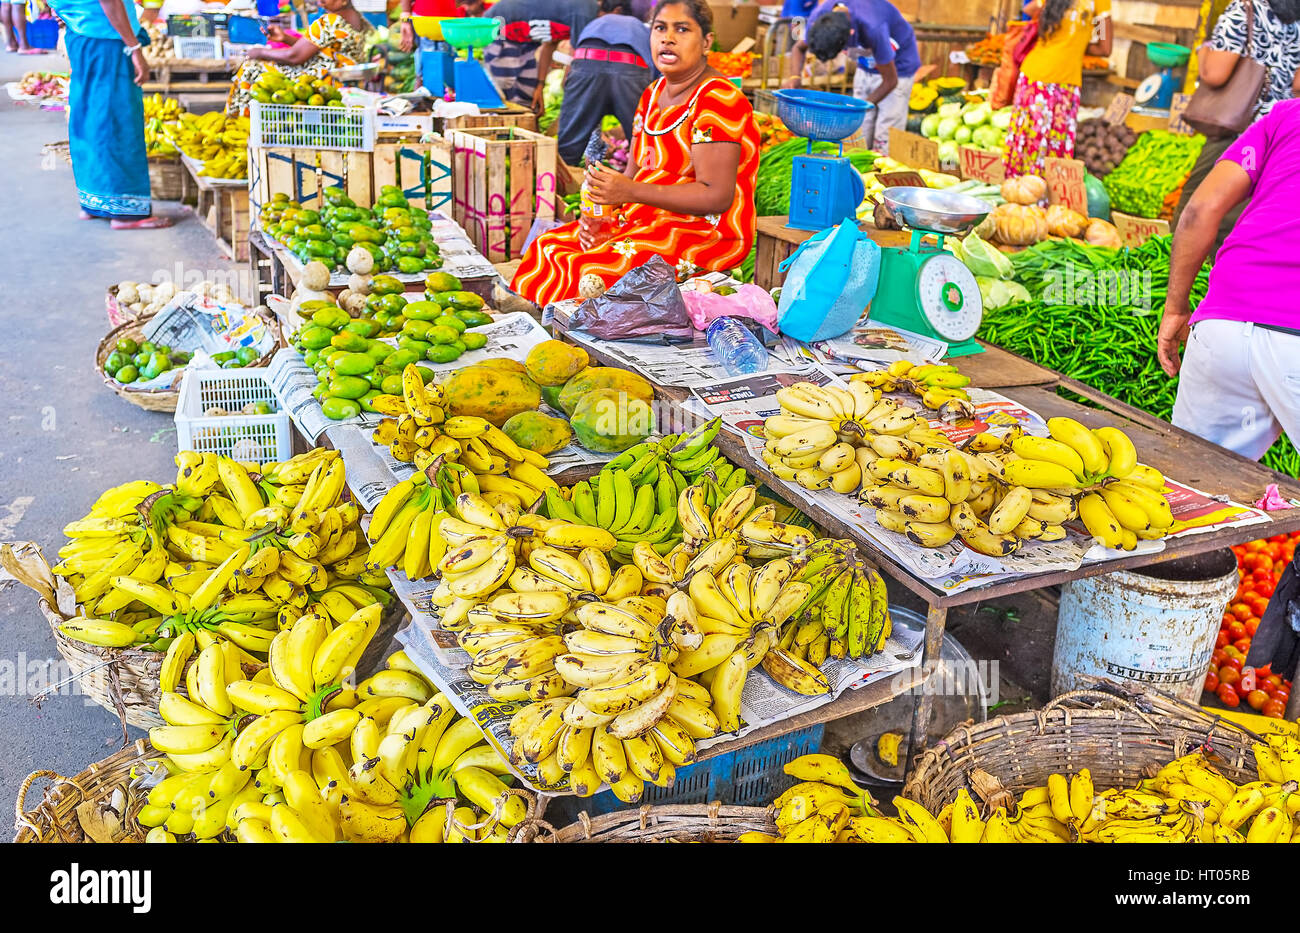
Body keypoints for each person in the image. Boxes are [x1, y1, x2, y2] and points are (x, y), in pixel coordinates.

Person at [511, 0, 759, 308]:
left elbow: (716, 196)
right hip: (646, 217)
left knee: (593, 271)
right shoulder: (652, 93)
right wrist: (601, 216)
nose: (668, 38)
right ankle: (542, 313)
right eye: (660, 28)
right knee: (549, 246)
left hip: (702, 233)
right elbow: (632, 173)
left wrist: (629, 191)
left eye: (682, 29)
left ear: (706, 42)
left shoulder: (718, 99)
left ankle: (557, 318)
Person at [1157, 98, 1300, 461]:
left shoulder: (1286, 116)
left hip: (1223, 328)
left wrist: (1176, 308)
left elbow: (1200, 210)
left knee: (1193, 475)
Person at [1171, 0, 1300, 257]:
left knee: (1196, 207)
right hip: (1277, 133)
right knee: (1240, 214)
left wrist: (1204, 50)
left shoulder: (1244, 10)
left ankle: (1183, 273)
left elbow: (1215, 74)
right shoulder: (1296, 20)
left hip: (1237, 130)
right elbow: (1297, 85)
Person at [49, 0, 173, 228]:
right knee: (117, 122)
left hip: (82, 37)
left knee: (89, 119)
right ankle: (125, 213)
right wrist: (134, 48)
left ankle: (94, 202)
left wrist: (65, 10)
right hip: (107, 41)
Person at [783, 0, 920, 154]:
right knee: (859, 132)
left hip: (898, 69)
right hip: (866, 65)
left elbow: (891, 81)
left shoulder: (873, 28)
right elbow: (799, 48)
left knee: (885, 135)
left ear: (849, 36)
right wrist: (795, 76)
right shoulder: (820, 18)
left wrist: (859, 107)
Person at [1003, 0, 1112, 176]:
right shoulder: (1098, 3)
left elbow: (1028, 9)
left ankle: (1016, 185)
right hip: (1063, 83)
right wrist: (1079, 41)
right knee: (1053, 145)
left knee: (1025, 140)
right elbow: (1104, 48)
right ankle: (1041, 189)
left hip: (1032, 79)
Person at [227, 0, 371, 115]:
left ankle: (238, 121)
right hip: (339, 81)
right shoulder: (357, 18)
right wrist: (285, 38)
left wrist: (259, 52)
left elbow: (294, 56)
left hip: (321, 85)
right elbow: (323, 49)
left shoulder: (331, 21)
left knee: (251, 67)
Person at [556, 0, 655, 165]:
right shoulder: (641, 28)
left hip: (586, 66)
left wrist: (571, 98)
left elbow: (572, 66)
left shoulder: (594, 24)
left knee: (568, 147)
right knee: (643, 141)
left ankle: (561, 174)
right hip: (630, 70)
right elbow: (657, 75)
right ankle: (647, 174)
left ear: (616, 10)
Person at [482, 0, 598, 114]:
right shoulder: (586, 12)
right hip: (499, 24)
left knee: (528, 92)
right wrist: (569, 89)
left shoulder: (585, 14)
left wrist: (540, 85)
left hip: (526, 40)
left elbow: (550, 44)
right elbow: (576, 60)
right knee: (504, 86)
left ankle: (524, 121)